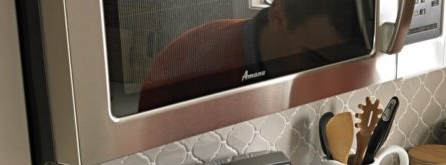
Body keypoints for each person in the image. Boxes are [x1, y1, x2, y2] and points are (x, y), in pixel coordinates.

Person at [139, 0, 360, 111]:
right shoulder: (194, 66)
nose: (324, 80)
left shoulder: (308, 55)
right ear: (279, 17)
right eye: (314, 59)